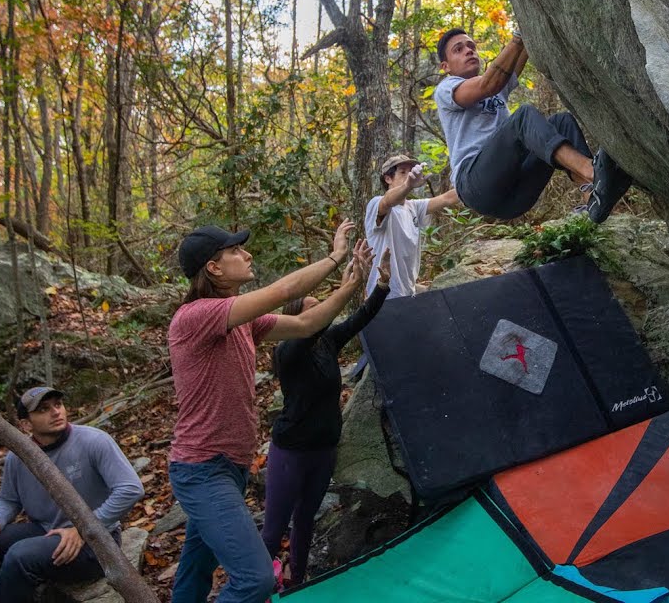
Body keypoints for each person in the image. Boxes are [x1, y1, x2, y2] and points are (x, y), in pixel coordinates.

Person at [167, 221, 373, 603]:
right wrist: (335, 255)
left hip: (231, 467)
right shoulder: (197, 315)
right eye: (236, 251)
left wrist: (350, 283)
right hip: (202, 469)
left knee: (194, 571)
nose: (247, 255)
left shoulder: (242, 323)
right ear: (213, 267)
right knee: (256, 579)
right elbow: (283, 291)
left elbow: (307, 322)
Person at [260, 249, 395, 590]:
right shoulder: (288, 350)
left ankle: (298, 585)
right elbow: (308, 329)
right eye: (313, 307)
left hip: (324, 451)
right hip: (291, 452)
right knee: (274, 530)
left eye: (322, 305)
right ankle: (255, 587)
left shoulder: (328, 342)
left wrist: (380, 284)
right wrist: (347, 284)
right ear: (296, 317)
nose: (322, 311)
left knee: (305, 522)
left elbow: (360, 317)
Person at [433, 27, 633, 223]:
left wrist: (529, 27)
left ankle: (592, 196)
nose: (469, 50)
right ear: (446, 66)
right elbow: (488, 84)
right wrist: (517, 38)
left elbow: (510, 66)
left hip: (513, 197)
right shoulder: (446, 89)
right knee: (523, 116)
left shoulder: (496, 85)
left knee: (561, 122)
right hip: (475, 186)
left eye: (471, 46)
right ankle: (593, 173)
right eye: (458, 49)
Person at [0, 387, 145, 603]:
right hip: (45, 529)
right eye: (44, 409)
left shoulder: (93, 441)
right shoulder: (17, 457)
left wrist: (85, 529)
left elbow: (131, 488)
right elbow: (9, 499)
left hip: (97, 544)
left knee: (19, 556)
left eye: (58, 404)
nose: (56, 412)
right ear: (26, 424)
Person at [364, 153, 460, 299]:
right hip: (383, 296)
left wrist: (471, 182)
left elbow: (446, 198)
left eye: (411, 171)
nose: (409, 175)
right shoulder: (376, 204)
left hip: (408, 292)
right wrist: (408, 185)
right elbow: (387, 202)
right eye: (403, 172)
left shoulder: (414, 207)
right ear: (388, 178)